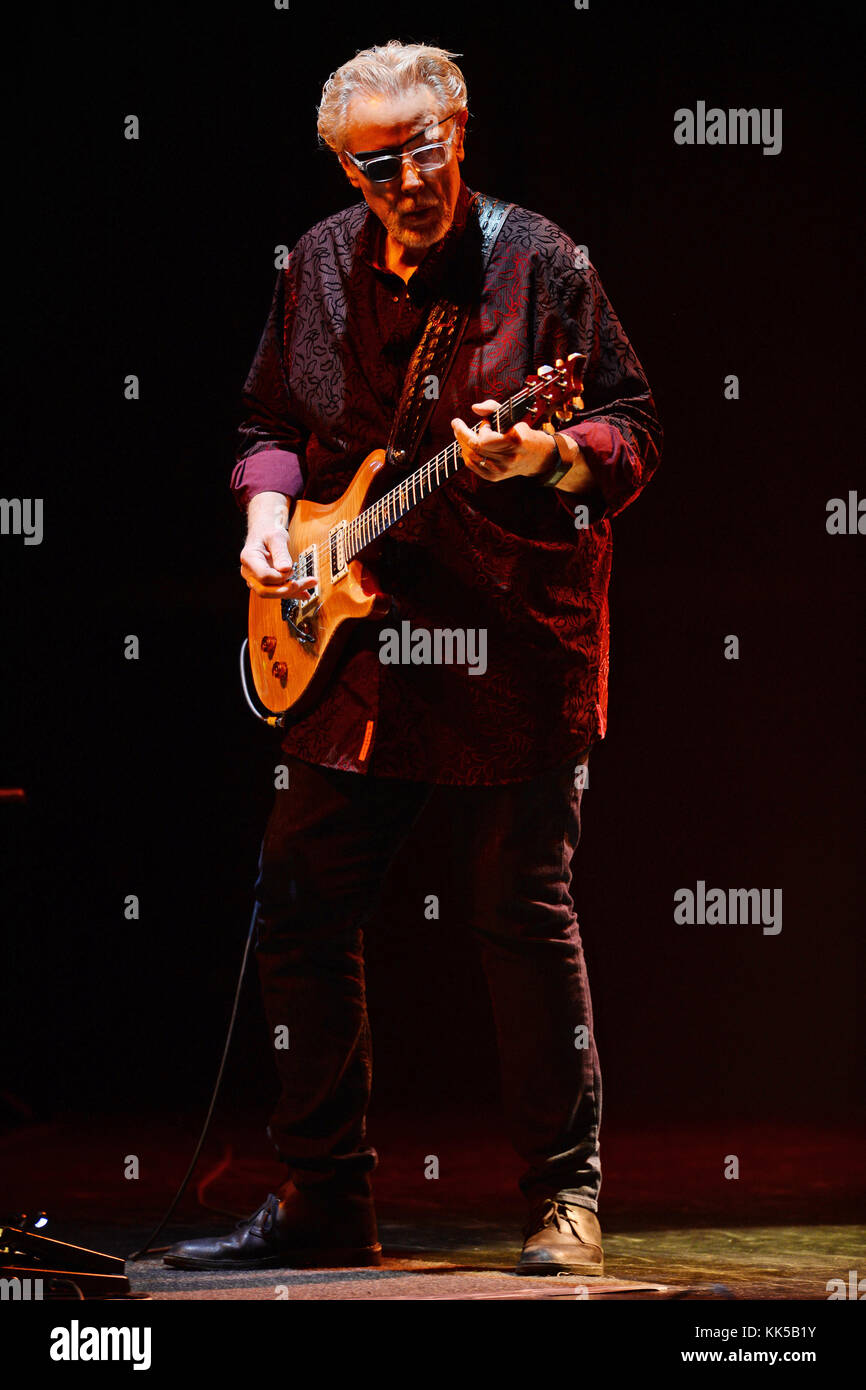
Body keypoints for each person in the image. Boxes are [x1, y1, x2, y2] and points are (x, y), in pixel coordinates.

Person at [164, 40, 662, 1277]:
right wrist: (269, 521)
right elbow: (267, 424)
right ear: (343, 164)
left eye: (426, 148)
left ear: (461, 133)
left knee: (519, 916)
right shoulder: (317, 261)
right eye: (378, 162)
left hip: (511, 649)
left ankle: (564, 1202)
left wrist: (543, 457)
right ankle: (327, 1198)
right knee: (298, 906)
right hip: (352, 656)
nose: (408, 178)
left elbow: (631, 426)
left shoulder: (540, 262)